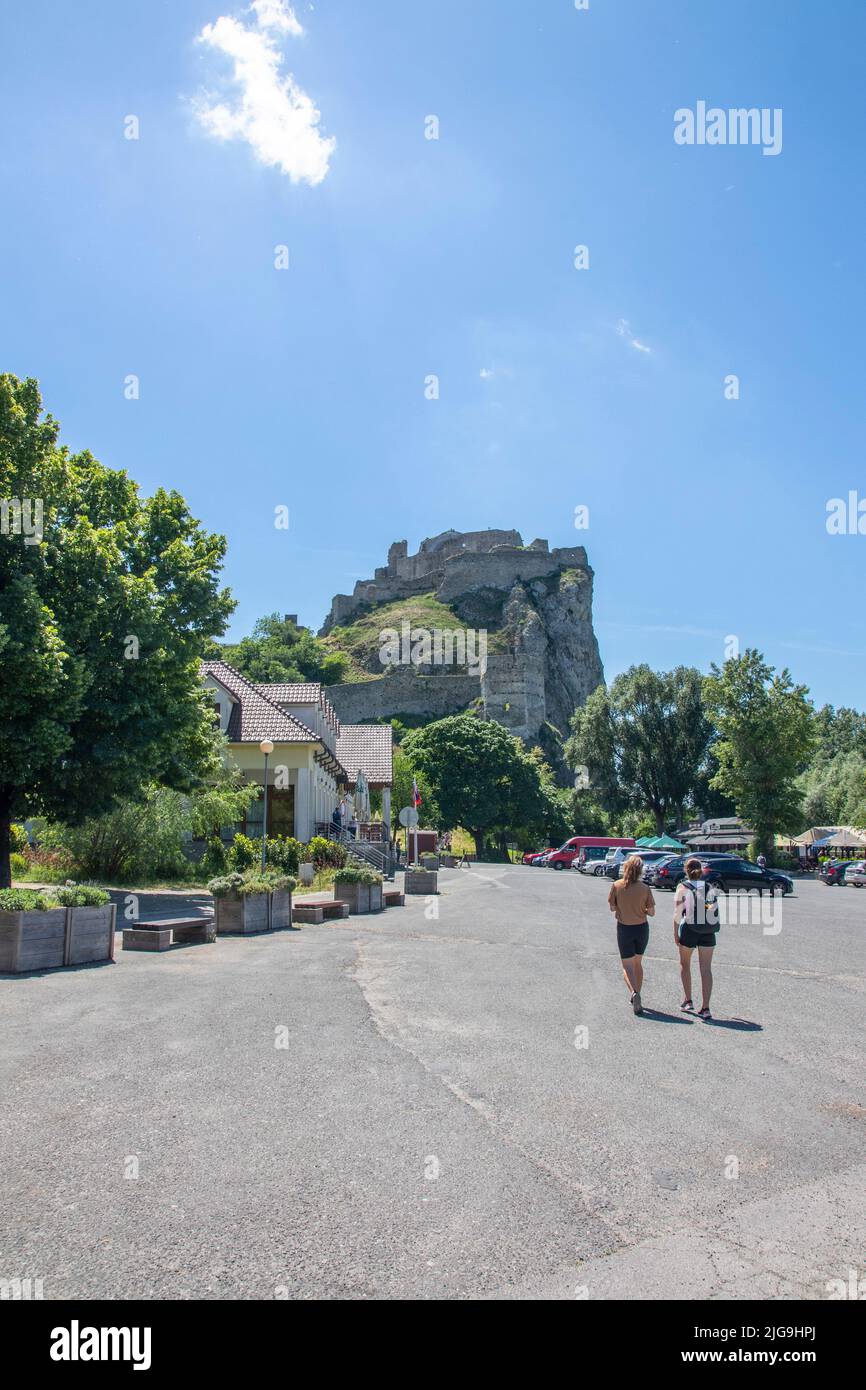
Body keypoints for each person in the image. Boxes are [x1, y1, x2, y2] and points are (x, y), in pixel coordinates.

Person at [608, 855, 655, 1015]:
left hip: (624, 928)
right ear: (641, 870)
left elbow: (612, 908)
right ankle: (637, 993)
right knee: (637, 963)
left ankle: (634, 993)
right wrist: (641, 909)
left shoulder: (617, 885)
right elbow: (652, 912)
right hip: (641, 928)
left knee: (627, 966)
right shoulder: (645, 888)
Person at [673, 857, 720, 1020]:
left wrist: (675, 933)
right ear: (701, 870)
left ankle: (688, 1000)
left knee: (685, 964)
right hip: (708, 930)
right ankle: (706, 1008)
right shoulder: (709, 887)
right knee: (706, 969)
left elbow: (678, 913)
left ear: (686, 870)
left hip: (689, 929)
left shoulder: (682, 887)